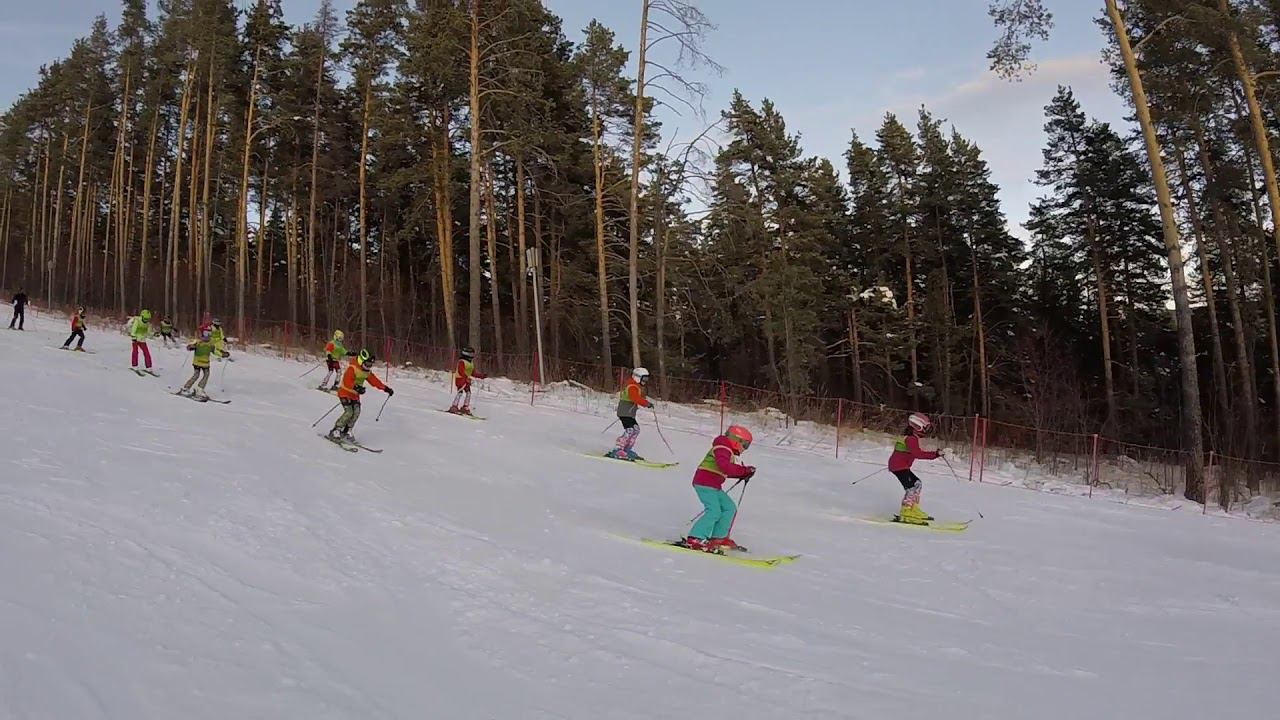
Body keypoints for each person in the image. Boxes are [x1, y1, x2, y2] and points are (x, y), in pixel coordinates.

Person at [680, 425, 756, 553]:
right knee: (714, 511)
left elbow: (725, 470)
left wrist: (744, 473)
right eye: (746, 445)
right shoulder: (722, 448)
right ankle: (695, 538)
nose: (745, 449)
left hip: (713, 485)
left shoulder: (726, 450)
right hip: (704, 483)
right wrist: (744, 470)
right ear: (737, 441)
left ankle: (718, 538)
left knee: (729, 507)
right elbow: (725, 467)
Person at [888, 412, 943, 525]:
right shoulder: (911, 439)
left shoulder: (912, 438)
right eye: (926, 428)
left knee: (917, 483)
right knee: (911, 488)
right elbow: (918, 454)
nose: (927, 431)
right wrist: (935, 454)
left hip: (902, 466)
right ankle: (906, 511)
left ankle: (914, 508)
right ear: (918, 427)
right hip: (898, 466)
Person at [328, 349, 394, 442]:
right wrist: (356, 387)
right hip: (345, 392)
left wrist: (386, 388)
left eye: (370, 365)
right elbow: (347, 381)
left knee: (356, 412)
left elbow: (374, 381)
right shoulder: (353, 368)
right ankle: (336, 430)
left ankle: (347, 431)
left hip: (355, 395)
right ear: (361, 360)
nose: (368, 367)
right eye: (367, 364)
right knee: (349, 412)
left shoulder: (366, 372)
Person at [607, 367, 653, 461]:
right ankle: (618, 449)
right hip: (625, 413)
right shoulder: (632, 386)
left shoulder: (635, 386)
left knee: (636, 430)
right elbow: (634, 398)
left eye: (646, 379)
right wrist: (646, 403)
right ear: (637, 377)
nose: (645, 381)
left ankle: (627, 449)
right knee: (630, 430)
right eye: (644, 379)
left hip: (629, 414)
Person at [179, 328, 230, 397]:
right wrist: (190, 347)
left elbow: (215, 351)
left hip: (205, 363)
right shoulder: (198, 342)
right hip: (197, 362)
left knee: (206, 375)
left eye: (209, 334)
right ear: (202, 335)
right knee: (196, 375)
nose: (207, 336)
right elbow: (190, 346)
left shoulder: (211, 343)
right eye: (206, 334)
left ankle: (200, 388)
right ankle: (186, 388)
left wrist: (223, 354)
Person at [448, 346, 486, 415]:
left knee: (468, 393)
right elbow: (461, 371)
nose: (472, 356)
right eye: (471, 354)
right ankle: (454, 406)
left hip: (467, 380)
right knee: (460, 392)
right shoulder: (462, 362)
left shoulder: (471, 363)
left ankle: (465, 407)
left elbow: (472, 373)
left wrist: (481, 376)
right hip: (460, 380)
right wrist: (466, 378)